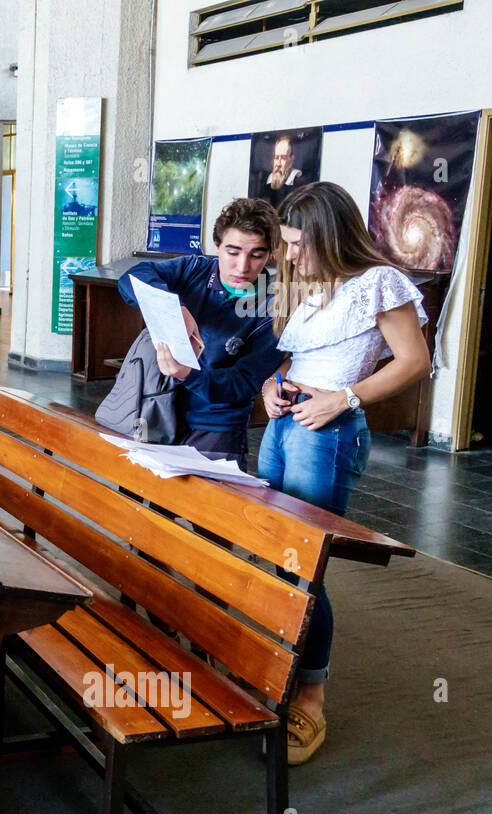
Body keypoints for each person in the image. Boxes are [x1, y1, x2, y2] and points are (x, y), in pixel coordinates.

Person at [259, 181, 430, 766]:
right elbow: (294, 356)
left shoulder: (377, 282)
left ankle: (311, 699)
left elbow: (414, 362)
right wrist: (268, 385)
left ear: (328, 237)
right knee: (270, 553)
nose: (289, 256)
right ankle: (273, 670)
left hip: (326, 432)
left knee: (306, 567)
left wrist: (345, 399)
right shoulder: (308, 287)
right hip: (285, 423)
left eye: (296, 243)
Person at [117, 197, 285, 471]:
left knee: (205, 509)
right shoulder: (194, 269)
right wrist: (175, 306)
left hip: (216, 424)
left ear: (270, 254)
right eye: (232, 252)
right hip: (154, 405)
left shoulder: (274, 306)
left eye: (256, 254)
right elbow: (132, 278)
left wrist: (187, 373)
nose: (242, 266)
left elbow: (241, 384)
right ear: (216, 246)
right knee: (137, 501)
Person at [258, 137, 305, 206]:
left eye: (283, 158)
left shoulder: (298, 185)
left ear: (291, 160)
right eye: (276, 158)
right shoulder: (266, 184)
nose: (278, 164)